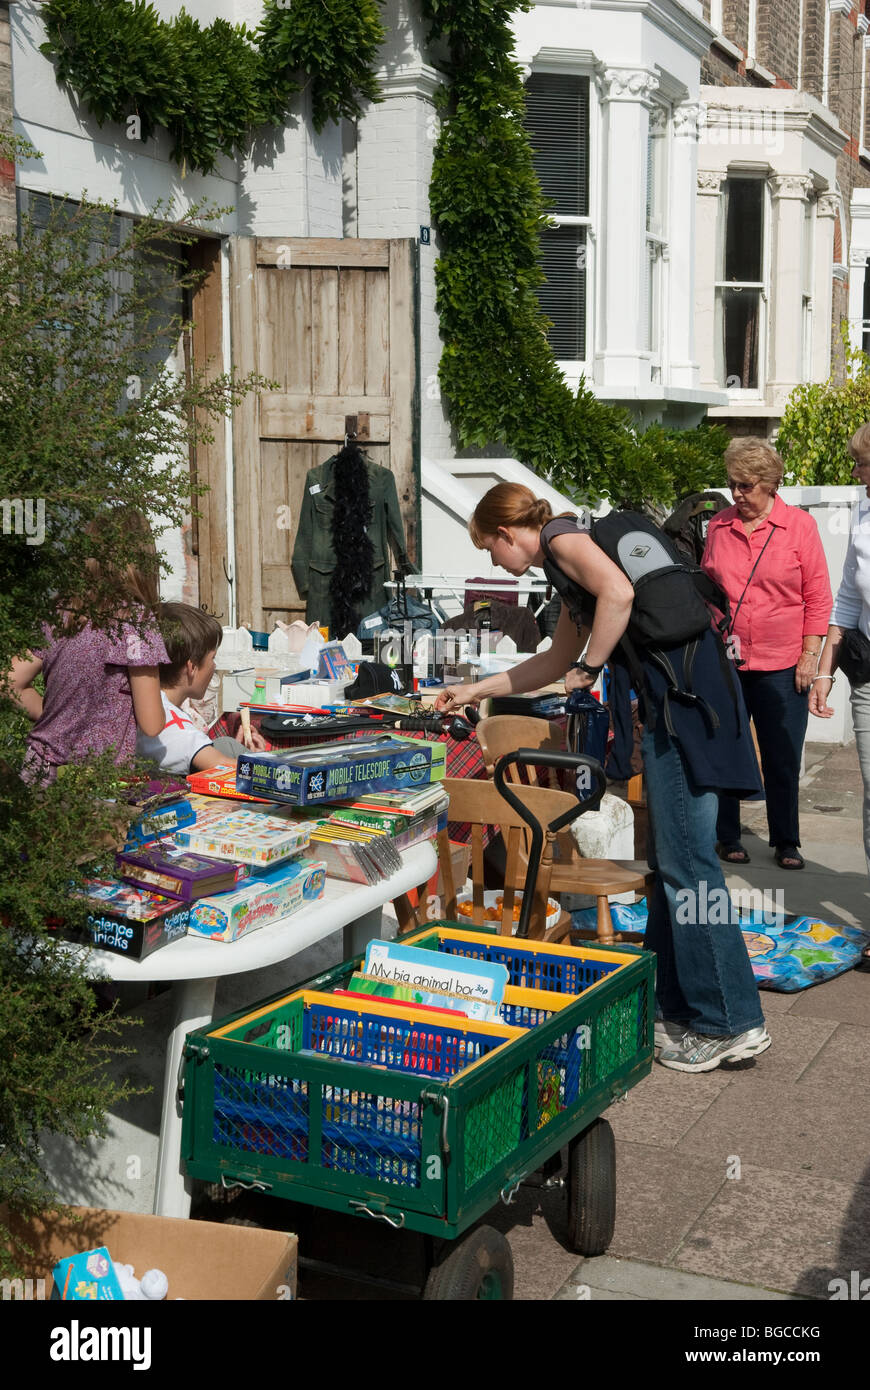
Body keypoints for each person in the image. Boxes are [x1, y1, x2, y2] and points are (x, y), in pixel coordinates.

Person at [435, 482, 769, 1073]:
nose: (494, 563)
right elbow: (552, 660)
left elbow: (615, 597)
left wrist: (591, 669)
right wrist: (476, 689)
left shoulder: (564, 540)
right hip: (687, 701)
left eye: (490, 548)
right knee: (674, 859)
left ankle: (730, 1021)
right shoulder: (571, 560)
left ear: (510, 533)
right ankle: (680, 1004)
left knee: (690, 864)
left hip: (686, 705)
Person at [702, 438, 832, 870]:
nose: (737, 493)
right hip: (728, 661)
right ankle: (727, 836)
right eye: (732, 484)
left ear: (771, 483)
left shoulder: (800, 528)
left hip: (783, 662)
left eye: (746, 485)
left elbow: (818, 596)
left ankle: (786, 840)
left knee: (782, 754)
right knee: (727, 747)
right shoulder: (718, 527)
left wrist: (810, 656)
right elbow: (707, 592)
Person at [7, 508, 167, 785]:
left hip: (39, 765)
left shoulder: (61, 612)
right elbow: (152, 724)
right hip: (92, 778)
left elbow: (8, 682)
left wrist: (57, 719)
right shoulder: (136, 621)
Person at [810, 421, 870, 964]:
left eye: (862, 464)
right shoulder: (864, 515)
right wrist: (825, 670)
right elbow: (848, 598)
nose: (855, 473)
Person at [136, 602, 268, 775]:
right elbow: (220, 764)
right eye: (213, 658)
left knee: (226, 745)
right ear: (192, 667)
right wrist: (263, 764)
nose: (214, 666)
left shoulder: (147, 703)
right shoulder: (170, 721)